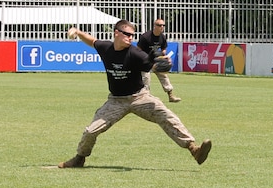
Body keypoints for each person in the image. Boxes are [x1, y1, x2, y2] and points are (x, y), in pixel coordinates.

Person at [58, 20, 212, 168]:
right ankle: (79, 159)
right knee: (91, 131)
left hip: (139, 97)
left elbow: (152, 65)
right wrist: (78, 32)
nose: (130, 37)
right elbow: (92, 41)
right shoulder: (106, 48)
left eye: (132, 35)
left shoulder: (135, 53)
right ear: (116, 33)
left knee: (166, 116)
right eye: (127, 34)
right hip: (116, 101)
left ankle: (194, 150)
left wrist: (162, 64)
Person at [137, 18, 181, 102]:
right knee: (145, 79)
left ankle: (171, 96)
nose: (162, 27)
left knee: (163, 76)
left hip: (155, 59)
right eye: (160, 25)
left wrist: (165, 57)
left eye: (163, 25)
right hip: (145, 60)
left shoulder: (162, 37)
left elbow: (163, 49)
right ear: (155, 26)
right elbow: (139, 50)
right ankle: (146, 97)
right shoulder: (145, 37)